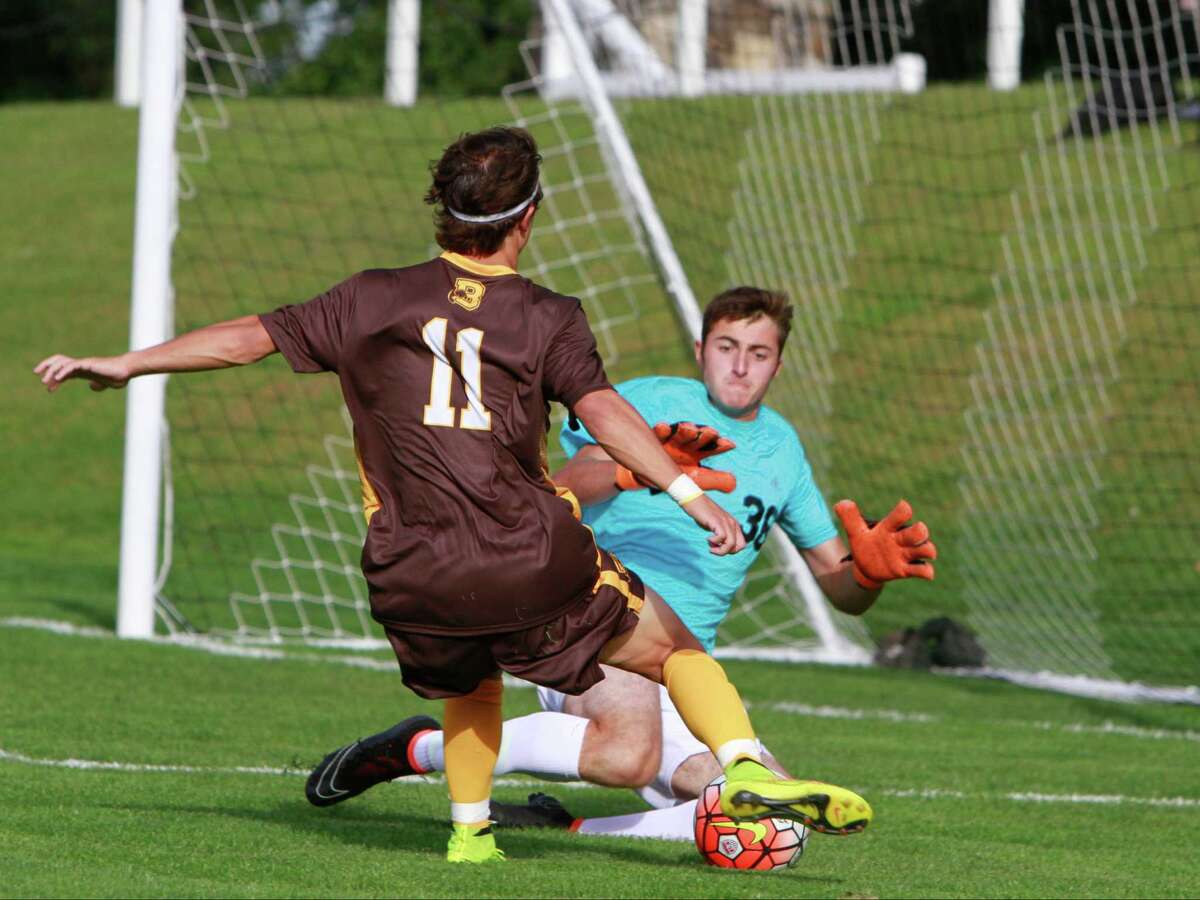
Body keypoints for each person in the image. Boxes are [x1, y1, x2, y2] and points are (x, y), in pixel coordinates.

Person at [34, 127, 878, 864]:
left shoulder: (368, 298)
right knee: (674, 651)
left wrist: (128, 362)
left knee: (473, 683)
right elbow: (605, 413)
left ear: (442, 209)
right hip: (528, 555)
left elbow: (247, 339)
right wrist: (689, 492)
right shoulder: (547, 316)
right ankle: (745, 768)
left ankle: (470, 836)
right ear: (529, 217)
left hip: (412, 572)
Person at [303, 286, 938, 842]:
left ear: (779, 361)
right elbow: (560, 484)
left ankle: (565, 826)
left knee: (777, 816)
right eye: (727, 346)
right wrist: (638, 468)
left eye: (759, 353)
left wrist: (866, 575)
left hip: (682, 668)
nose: (740, 366)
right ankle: (420, 750)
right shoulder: (643, 400)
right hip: (597, 615)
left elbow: (841, 588)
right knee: (630, 753)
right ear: (700, 347)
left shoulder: (784, 454)